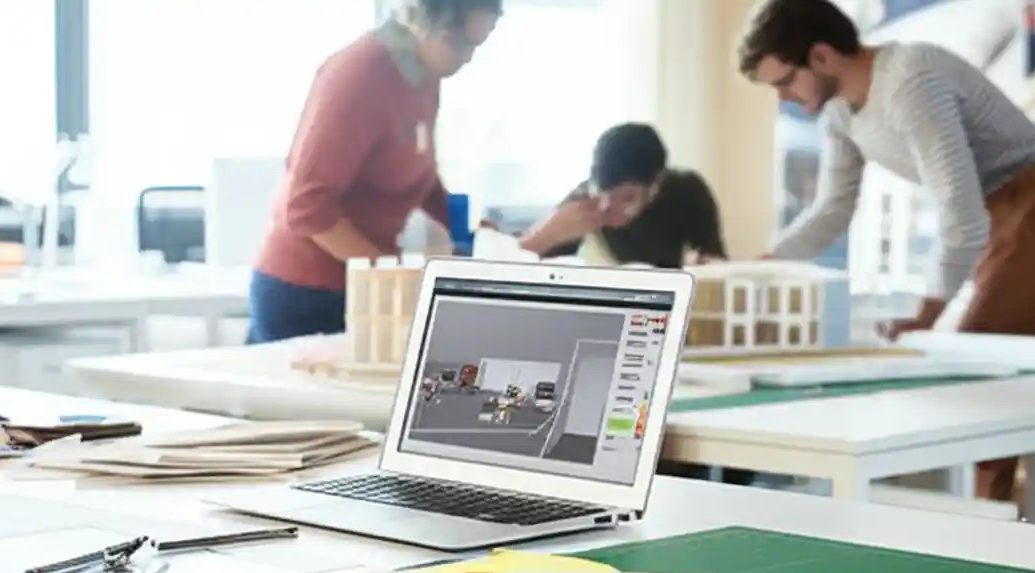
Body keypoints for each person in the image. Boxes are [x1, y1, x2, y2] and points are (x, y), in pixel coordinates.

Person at [737, 0, 1035, 526]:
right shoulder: (841, 114)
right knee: (1021, 392)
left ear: (820, 56)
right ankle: (1009, 535)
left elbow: (961, 213)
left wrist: (926, 315)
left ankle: (1002, 539)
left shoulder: (909, 80)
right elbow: (831, 210)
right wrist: (762, 265)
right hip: (1001, 218)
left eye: (784, 82)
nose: (785, 99)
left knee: (984, 388)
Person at [248, 0, 501, 344]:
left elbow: (418, 169)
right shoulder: (360, 74)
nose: (467, 58)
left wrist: (467, 234)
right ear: (423, 22)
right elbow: (307, 207)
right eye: (458, 43)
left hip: (365, 283)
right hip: (308, 292)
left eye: (477, 44)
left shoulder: (424, 74)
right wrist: (392, 275)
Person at [519, 123, 726, 267]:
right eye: (602, 192)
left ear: (656, 184)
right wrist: (547, 235)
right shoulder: (585, 202)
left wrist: (704, 267)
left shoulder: (686, 191)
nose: (606, 207)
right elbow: (514, 265)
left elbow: (715, 261)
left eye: (626, 198)